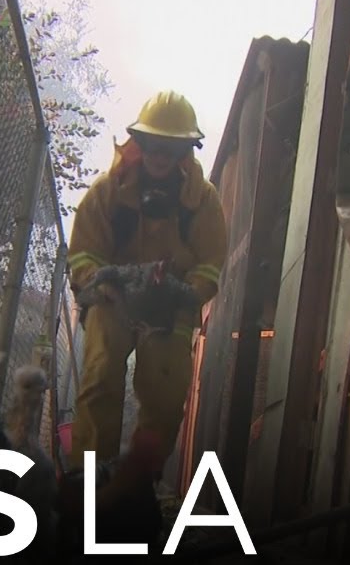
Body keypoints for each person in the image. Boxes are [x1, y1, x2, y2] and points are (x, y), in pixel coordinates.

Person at [65, 90, 229, 484]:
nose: (159, 156)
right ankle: (86, 481)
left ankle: (139, 480)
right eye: (153, 145)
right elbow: (84, 254)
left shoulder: (201, 202)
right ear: (140, 142)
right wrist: (105, 286)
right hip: (113, 301)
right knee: (100, 376)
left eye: (170, 148)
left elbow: (210, 265)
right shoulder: (109, 191)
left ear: (186, 151)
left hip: (169, 307)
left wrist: (184, 293)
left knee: (166, 392)